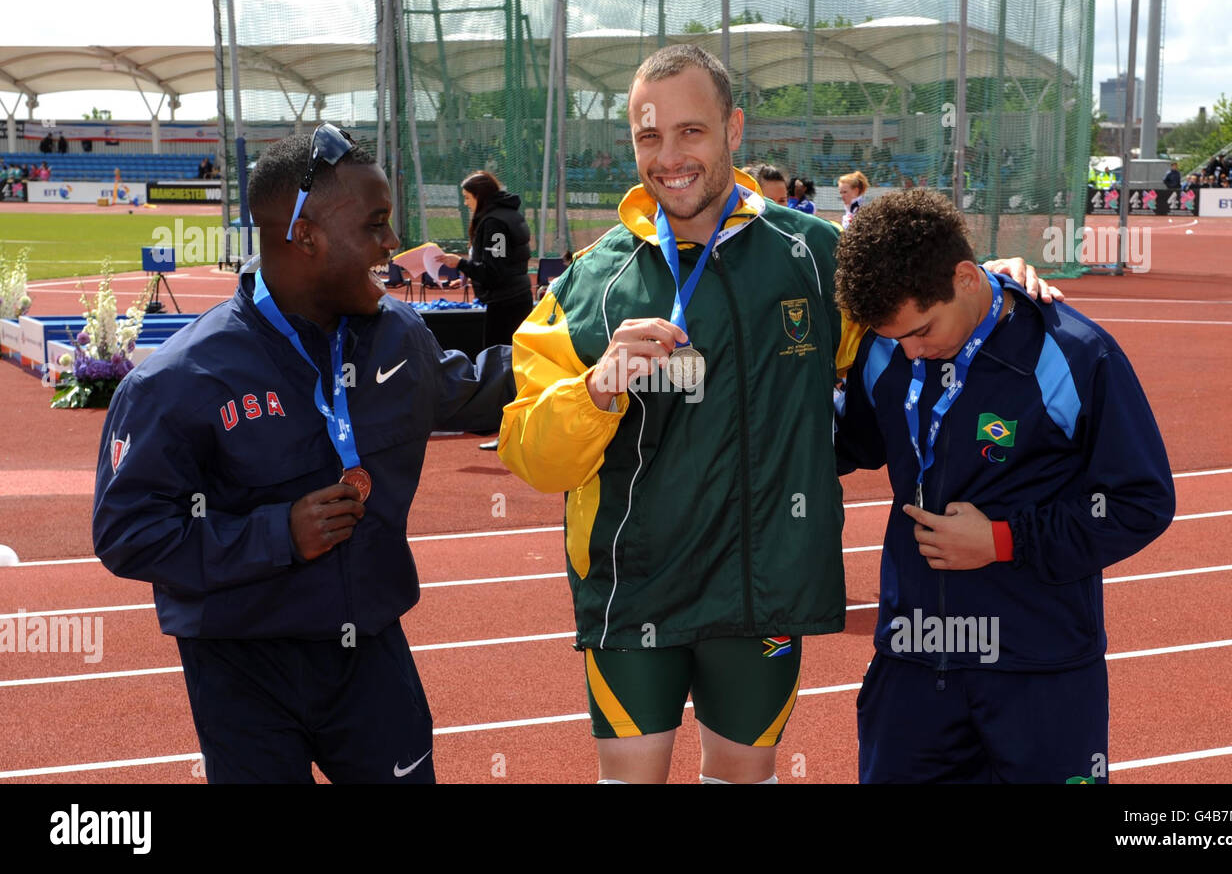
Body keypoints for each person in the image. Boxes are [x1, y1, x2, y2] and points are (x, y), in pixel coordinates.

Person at [496, 44, 1054, 784]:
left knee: (740, 779)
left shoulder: (816, 257)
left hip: (763, 590)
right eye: (649, 137)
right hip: (636, 588)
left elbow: (913, 310)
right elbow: (531, 456)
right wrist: (596, 389)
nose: (669, 157)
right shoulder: (586, 286)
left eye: (690, 131)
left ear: (734, 130)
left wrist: (985, 283)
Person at [91, 129, 515, 784]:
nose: (392, 242)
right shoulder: (179, 381)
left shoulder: (397, 336)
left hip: (371, 658)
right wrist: (274, 534)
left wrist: (601, 349)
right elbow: (127, 534)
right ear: (305, 235)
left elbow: (485, 388)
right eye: (375, 224)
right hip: (241, 670)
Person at [833, 189, 1175, 783]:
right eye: (896, 339)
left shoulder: (1073, 352)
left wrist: (1003, 541)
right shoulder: (884, 347)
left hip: (1039, 666)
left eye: (922, 330)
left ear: (967, 278)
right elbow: (848, 445)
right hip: (914, 660)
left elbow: (1140, 501)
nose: (911, 351)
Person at [440, 170, 533, 451]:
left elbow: (495, 270)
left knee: (499, 368)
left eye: (468, 198)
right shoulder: (507, 215)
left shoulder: (494, 223)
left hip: (506, 303)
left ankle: (506, 430)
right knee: (513, 366)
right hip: (515, 298)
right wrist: (467, 276)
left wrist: (460, 265)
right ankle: (514, 428)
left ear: (480, 196)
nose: (466, 203)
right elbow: (499, 264)